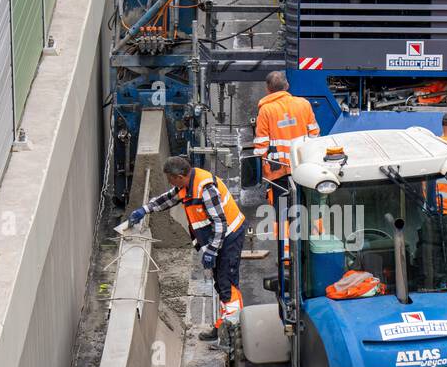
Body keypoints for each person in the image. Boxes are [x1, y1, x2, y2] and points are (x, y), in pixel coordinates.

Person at [128, 156, 245, 339]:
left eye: (170, 179)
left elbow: (220, 223)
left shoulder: (205, 188)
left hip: (229, 235)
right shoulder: (186, 185)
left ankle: (231, 330)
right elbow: (167, 199)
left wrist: (212, 251)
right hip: (221, 236)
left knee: (226, 281)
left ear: (180, 176)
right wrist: (145, 209)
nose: (169, 182)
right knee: (222, 282)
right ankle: (228, 324)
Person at [253, 71, 320, 217]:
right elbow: (314, 135)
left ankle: (285, 238)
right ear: (287, 86)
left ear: (268, 89)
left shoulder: (266, 110)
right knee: (309, 211)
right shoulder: (304, 104)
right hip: (303, 167)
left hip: (279, 172)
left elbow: (261, 145)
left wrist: (259, 171)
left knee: (283, 215)